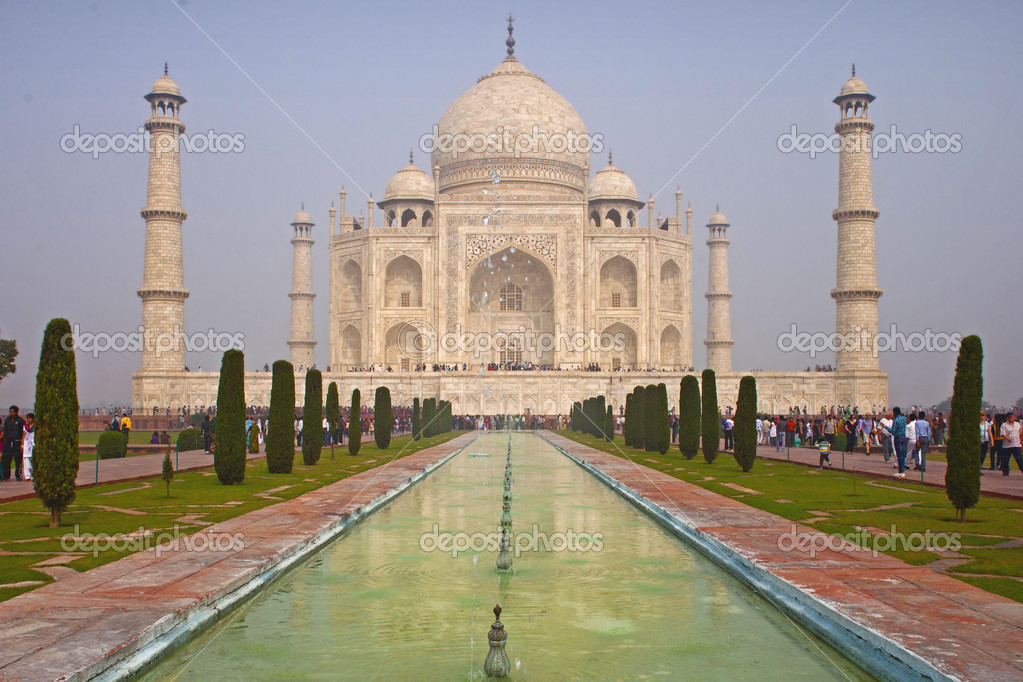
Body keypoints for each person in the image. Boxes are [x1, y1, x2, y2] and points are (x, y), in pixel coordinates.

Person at [1, 406, 27, 481]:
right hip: (8, 442)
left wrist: (22, 442)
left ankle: (18, 475)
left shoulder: (20, 420)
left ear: (16, 412)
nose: (11, 413)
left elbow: (23, 432)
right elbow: (5, 430)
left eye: (13, 412)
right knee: (6, 460)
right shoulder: (7, 420)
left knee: (18, 460)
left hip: (17, 442)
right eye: (10, 411)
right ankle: (6, 476)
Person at [891, 407, 908, 478]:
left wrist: (885, 427)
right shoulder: (904, 418)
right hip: (904, 437)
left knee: (899, 455)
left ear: (895, 412)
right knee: (903, 455)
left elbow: (893, 431)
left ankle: (901, 471)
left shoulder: (895, 420)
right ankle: (902, 471)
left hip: (898, 437)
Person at [22, 413, 35, 481]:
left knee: (33, 459)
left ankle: (33, 475)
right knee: (26, 459)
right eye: (27, 418)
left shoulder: (35, 426)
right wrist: (22, 444)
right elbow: (23, 435)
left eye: (29, 418)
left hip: (33, 444)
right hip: (26, 444)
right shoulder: (25, 426)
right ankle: (27, 476)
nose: (28, 420)